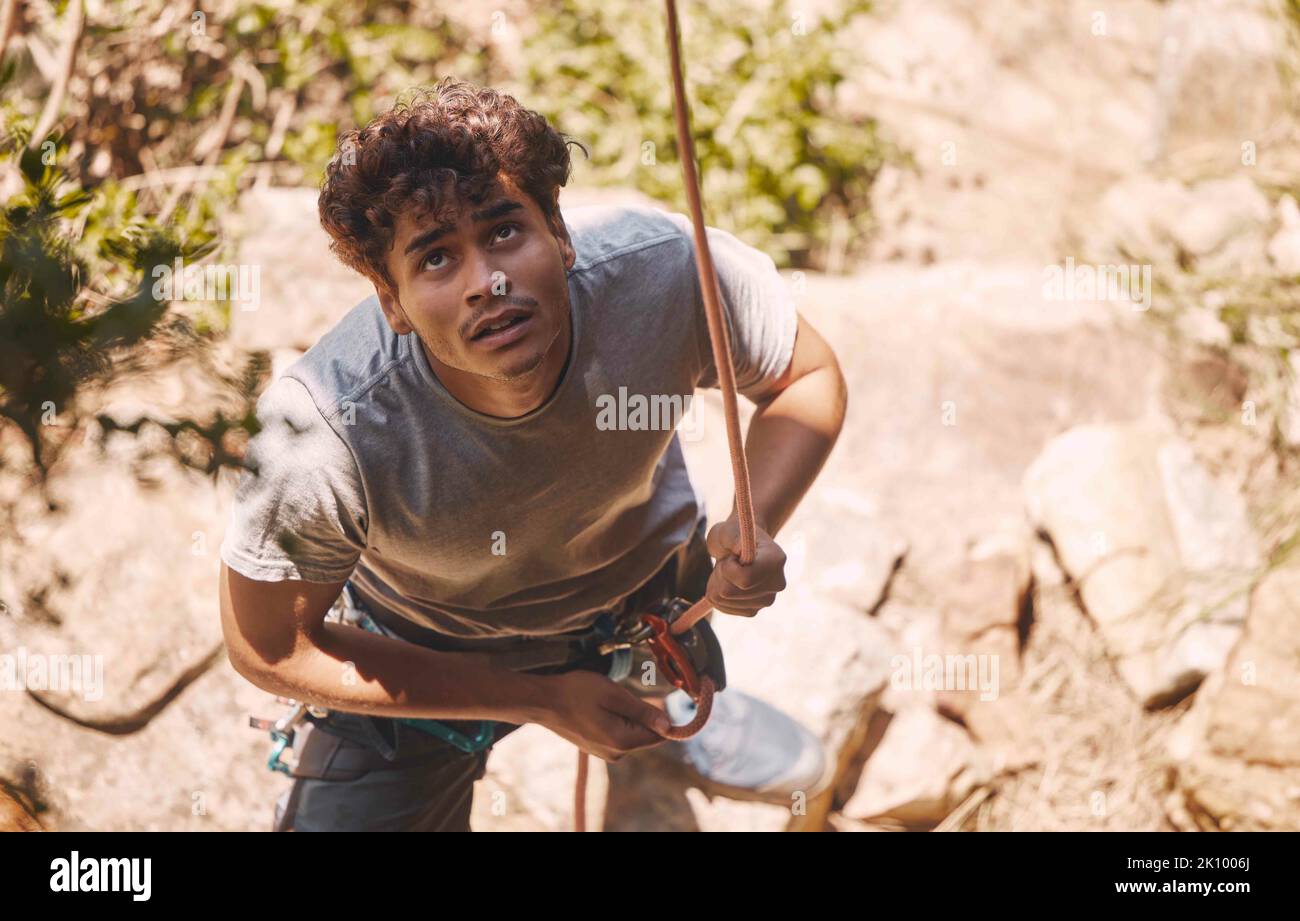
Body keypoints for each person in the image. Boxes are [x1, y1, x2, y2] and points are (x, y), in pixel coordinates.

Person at [217, 76, 848, 831]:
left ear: (560, 228)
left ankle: (660, 716)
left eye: (505, 231)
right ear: (392, 300)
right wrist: (542, 699)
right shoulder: (330, 428)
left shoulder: (666, 273)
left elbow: (803, 376)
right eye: (437, 260)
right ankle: (635, 708)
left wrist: (757, 523)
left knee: (659, 693)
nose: (488, 281)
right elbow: (269, 647)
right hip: (418, 646)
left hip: (643, 598)